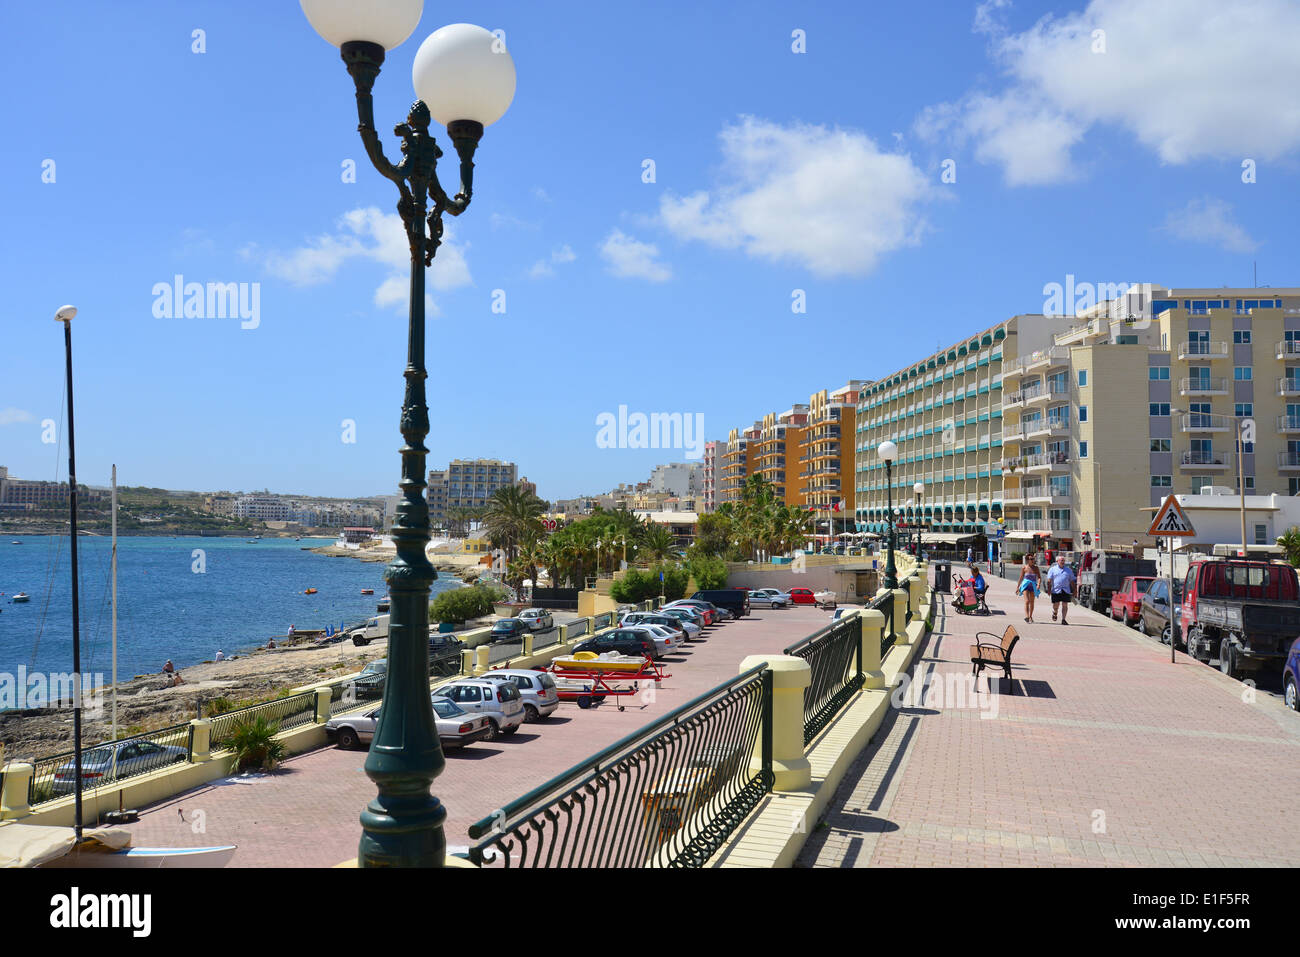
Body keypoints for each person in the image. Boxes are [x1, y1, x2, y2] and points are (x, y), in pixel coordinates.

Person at [1047, 554, 1076, 625]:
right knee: (1056, 605)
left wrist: (1075, 590)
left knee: (1065, 604)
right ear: (1057, 561)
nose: (1062, 562)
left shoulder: (1068, 570)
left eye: (1063, 560)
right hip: (1056, 590)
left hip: (1066, 590)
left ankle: (1063, 619)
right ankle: (1055, 612)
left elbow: (1072, 581)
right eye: (1061, 560)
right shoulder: (1052, 569)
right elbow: (1049, 580)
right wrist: (1049, 589)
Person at [1017, 557, 1041, 623]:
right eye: (1031, 559)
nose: (1033, 560)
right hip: (1025, 585)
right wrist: (1018, 587)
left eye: (1033, 559)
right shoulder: (1024, 568)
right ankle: (1027, 616)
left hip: (1033, 586)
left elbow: (1039, 577)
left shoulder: (1036, 568)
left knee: (1032, 602)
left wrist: (1038, 584)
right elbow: (1021, 578)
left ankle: (1030, 616)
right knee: (1027, 601)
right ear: (1028, 560)